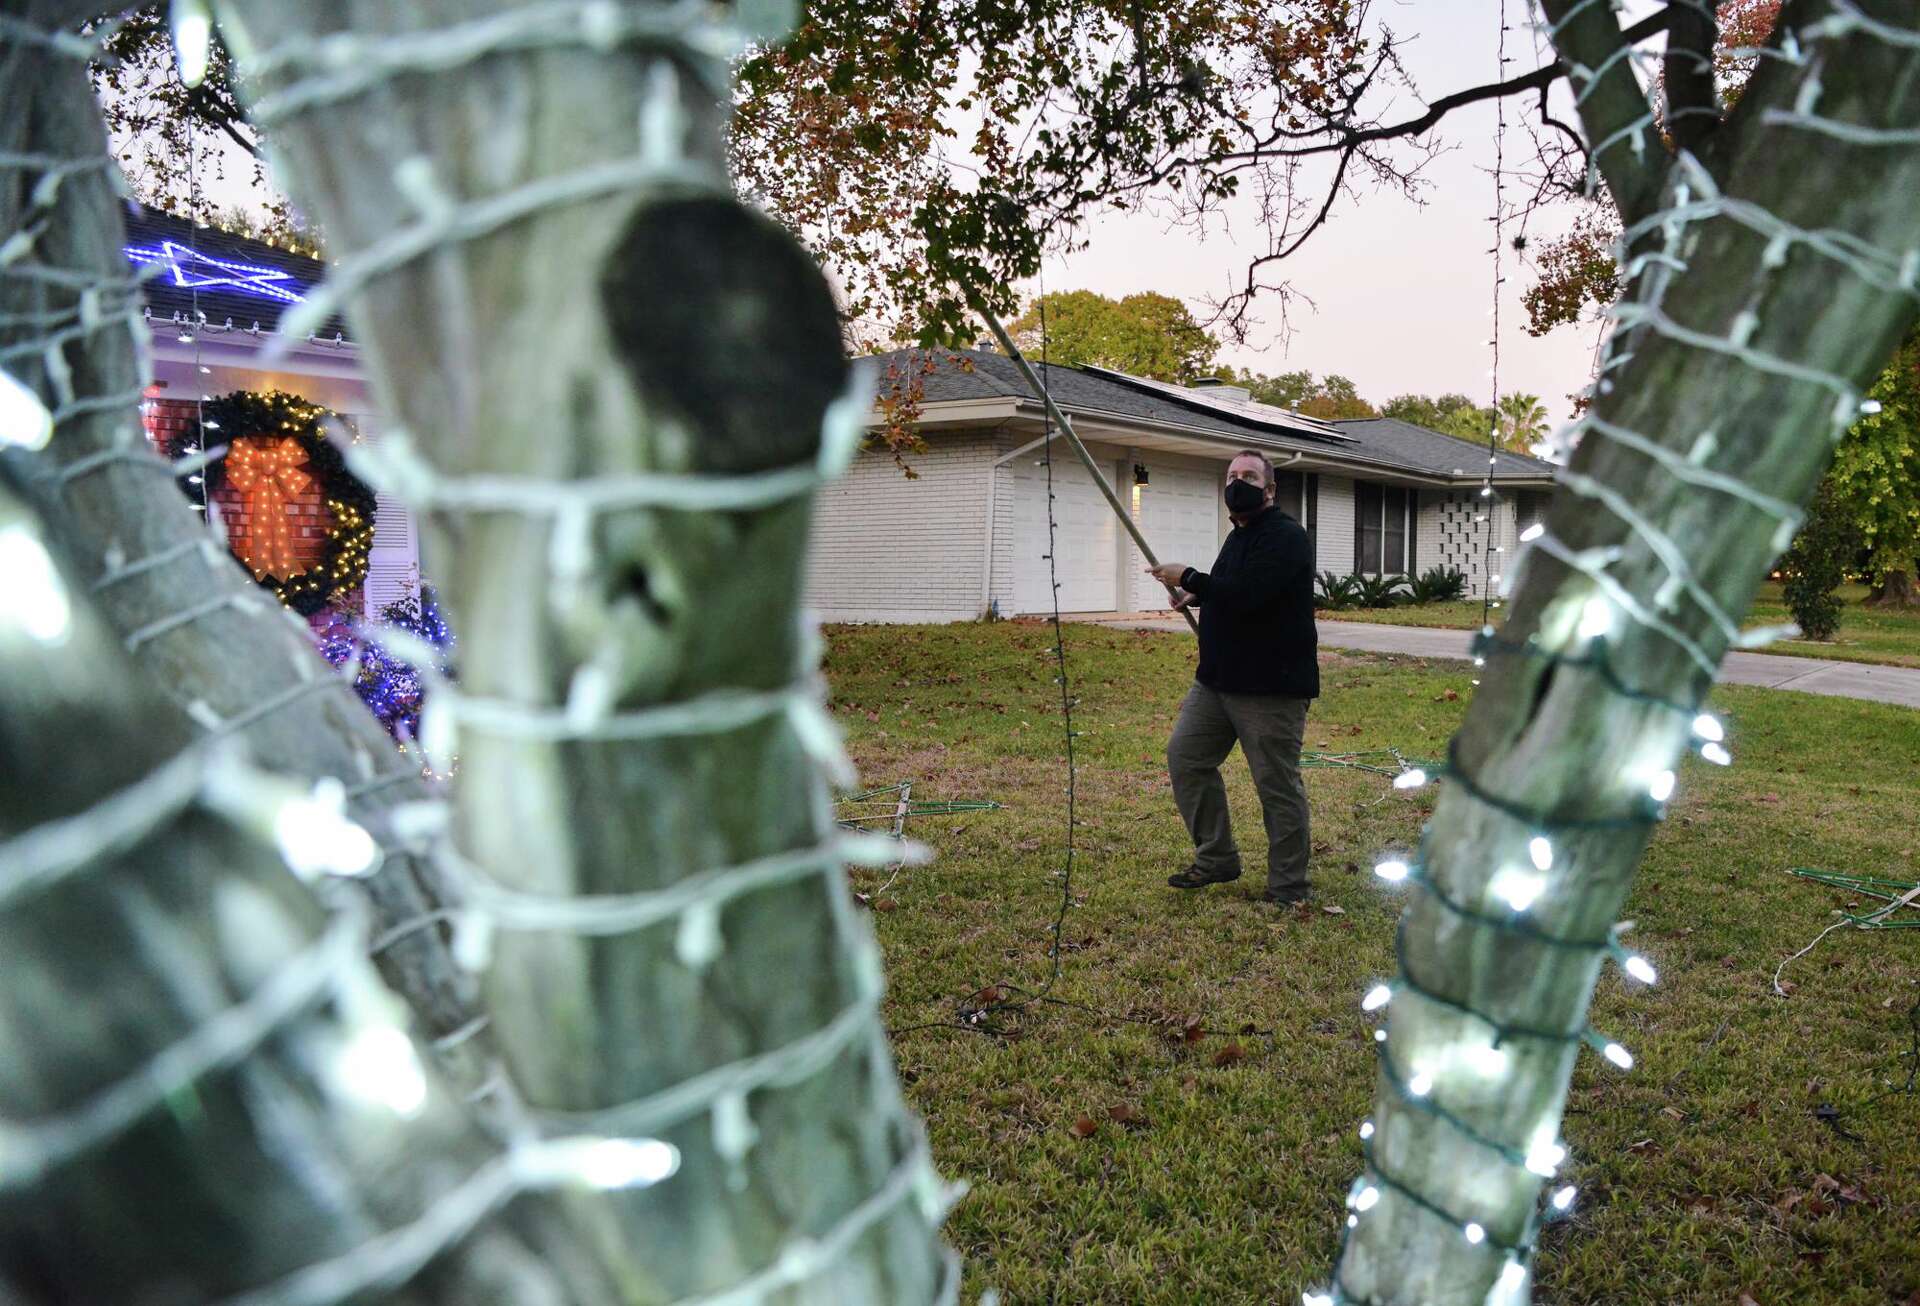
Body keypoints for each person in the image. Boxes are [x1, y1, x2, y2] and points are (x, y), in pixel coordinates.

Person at [1145, 450, 1318, 904]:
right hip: (1216, 681)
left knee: (1276, 786)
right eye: (1231, 476)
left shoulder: (1287, 537)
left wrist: (1193, 577)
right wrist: (1196, 596)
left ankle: (1288, 887)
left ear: (1270, 489)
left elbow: (1253, 594)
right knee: (1187, 759)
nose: (1237, 483)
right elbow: (1233, 593)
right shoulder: (1237, 537)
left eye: (1248, 476)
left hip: (1270, 687)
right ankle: (1217, 858)